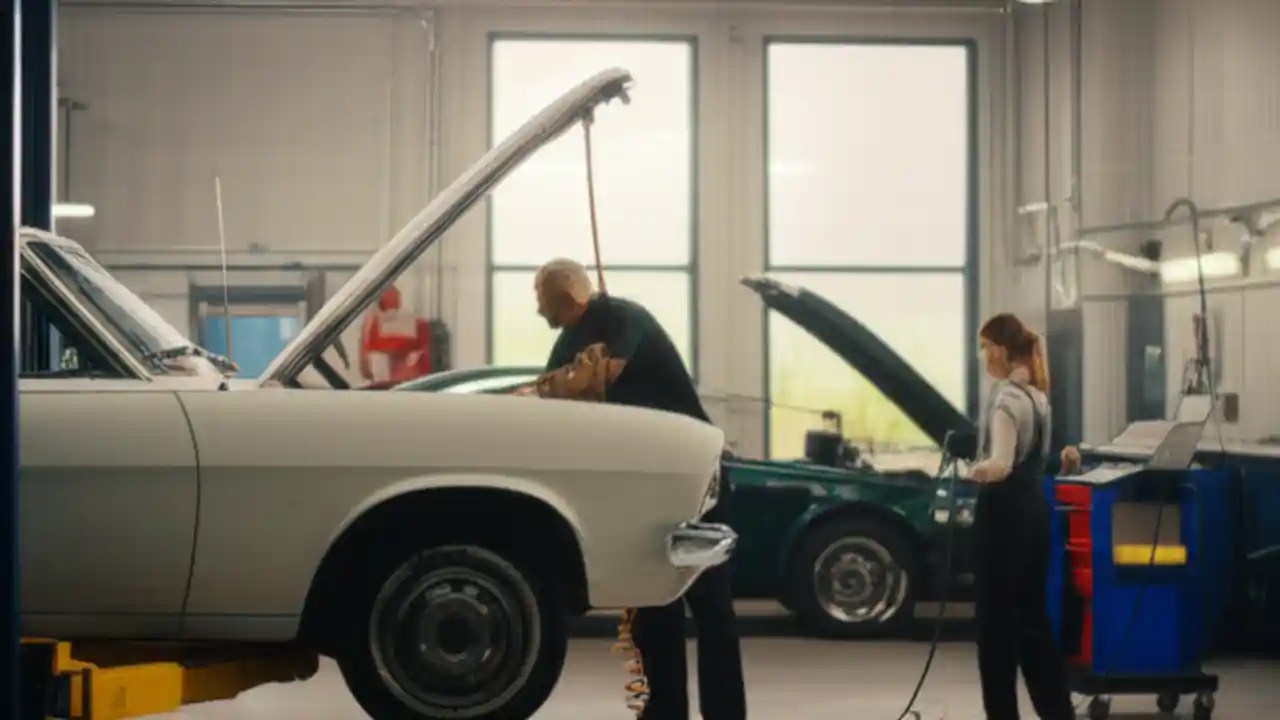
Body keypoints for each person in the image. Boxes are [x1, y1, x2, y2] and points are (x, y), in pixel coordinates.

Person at [528, 257, 747, 720]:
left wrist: (568, 381)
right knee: (654, 605)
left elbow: (596, 376)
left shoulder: (623, 318)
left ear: (565, 296)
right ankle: (666, 712)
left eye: (541, 298)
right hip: (650, 482)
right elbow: (552, 395)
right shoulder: (571, 338)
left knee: (711, 609)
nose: (538, 309)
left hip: (696, 477)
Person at [968, 313, 1074, 720]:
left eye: (984, 348)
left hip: (1002, 517)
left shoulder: (1006, 401)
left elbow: (1000, 465)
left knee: (994, 630)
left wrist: (970, 471)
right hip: (1034, 514)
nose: (983, 356)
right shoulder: (1038, 398)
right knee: (1033, 622)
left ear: (999, 349)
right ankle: (1058, 713)